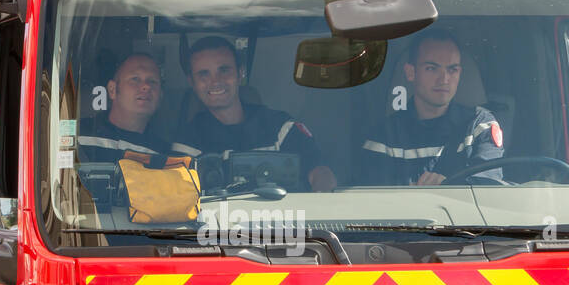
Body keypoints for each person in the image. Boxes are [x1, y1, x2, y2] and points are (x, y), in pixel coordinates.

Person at [180, 36, 336, 192]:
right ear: (191, 82)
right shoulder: (187, 141)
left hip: (285, 215)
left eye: (224, 70)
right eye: (204, 74)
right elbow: (181, 195)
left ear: (240, 73)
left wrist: (322, 201)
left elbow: (321, 173)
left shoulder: (281, 128)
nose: (215, 81)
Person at [358, 29, 503, 186]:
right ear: (411, 72)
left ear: (460, 73)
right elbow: (372, 200)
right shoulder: (386, 135)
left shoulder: (479, 125)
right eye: (432, 68)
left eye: (452, 69)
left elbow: (489, 187)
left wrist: (448, 186)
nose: (444, 79)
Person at [76, 53, 187, 165]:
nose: (146, 86)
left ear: (160, 96)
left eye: (152, 81)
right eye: (135, 79)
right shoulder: (78, 134)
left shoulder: (165, 156)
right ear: (112, 90)